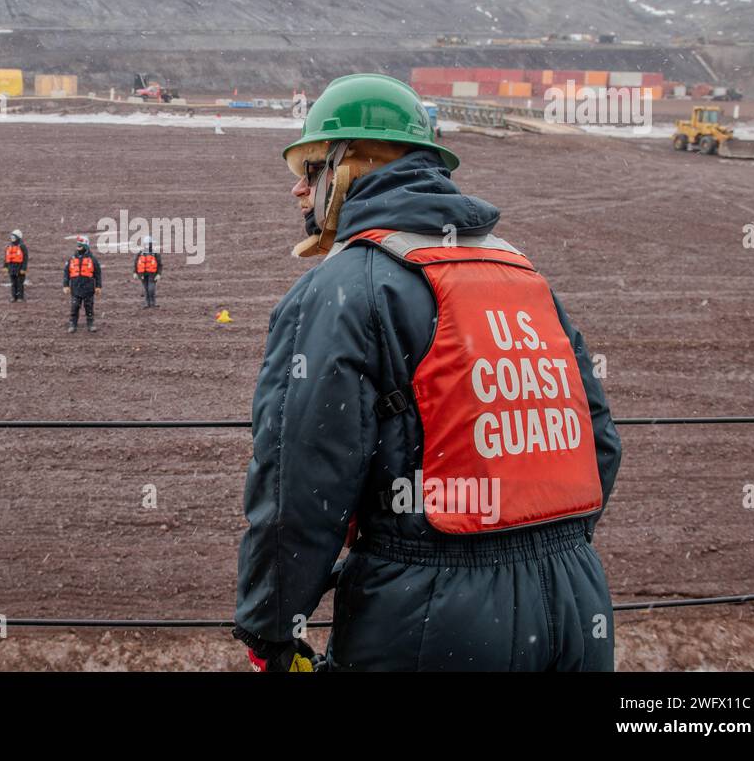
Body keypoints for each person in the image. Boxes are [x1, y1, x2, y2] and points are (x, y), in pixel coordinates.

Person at [233, 74, 622, 672]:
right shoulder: (520, 275)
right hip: (575, 606)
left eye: (311, 170)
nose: (298, 189)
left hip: (428, 622)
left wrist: (270, 630)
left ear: (351, 164)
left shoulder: (340, 288)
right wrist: (532, 549)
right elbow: (598, 443)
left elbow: (301, 481)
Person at [62, 235, 102, 333]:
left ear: (86, 246)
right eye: (78, 245)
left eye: (81, 245)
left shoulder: (93, 259)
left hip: (88, 288)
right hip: (75, 288)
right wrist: (66, 285)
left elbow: (98, 273)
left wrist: (98, 286)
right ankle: (73, 324)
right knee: (74, 307)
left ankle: (90, 324)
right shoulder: (71, 259)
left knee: (89, 307)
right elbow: (66, 273)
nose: (78, 247)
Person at [133, 235, 162, 308]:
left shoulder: (155, 254)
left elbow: (159, 264)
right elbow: (136, 263)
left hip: (152, 274)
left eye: (149, 243)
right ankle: (147, 303)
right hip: (142, 274)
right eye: (146, 243)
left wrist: (159, 274)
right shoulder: (140, 253)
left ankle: (153, 302)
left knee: (151, 289)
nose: (147, 245)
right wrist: (135, 272)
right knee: (146, 289)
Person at [3, 229, 29, 302]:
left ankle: (20, 297)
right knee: (13, 283)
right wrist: (5, 266)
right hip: (11, 268)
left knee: (20, 283)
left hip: (19, 267)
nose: (12, 238)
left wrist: (24, 268)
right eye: (11, 237)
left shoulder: (22, 246)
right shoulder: (9, 246)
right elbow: (6, 257)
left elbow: (25, 258)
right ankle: (14, 297)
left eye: (14, 237)